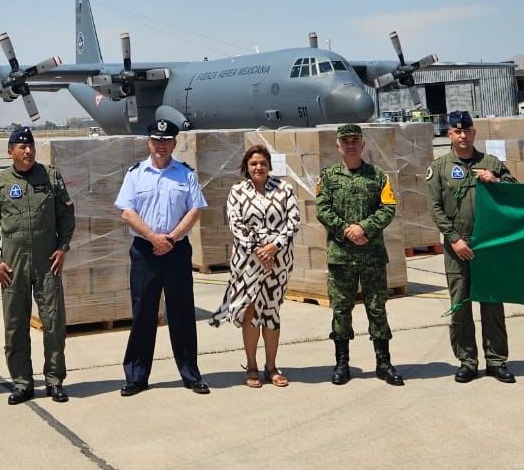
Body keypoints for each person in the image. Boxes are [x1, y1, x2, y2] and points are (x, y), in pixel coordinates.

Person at [115, 118, 210, 396]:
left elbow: (195, 211)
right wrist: (154, 238)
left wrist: (170, 239)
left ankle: (191, 374)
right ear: (149, 142)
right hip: (145, 252)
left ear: (174, 143)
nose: (161, 145)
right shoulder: (135, 174)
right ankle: (136, 376)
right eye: (156, 140)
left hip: (177, 250)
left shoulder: (185, 174)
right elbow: (127, 212)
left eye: (166, 141)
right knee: (143, 314)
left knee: (181, 313)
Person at [0, 126, 75, 404]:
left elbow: (66, 216)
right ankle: (22, 383)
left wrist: (63, 247)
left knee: (54, 322)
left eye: (31, 145)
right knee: (15, 325)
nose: (28, 150)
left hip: (47, 262)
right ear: (10, 152)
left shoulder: (51, 177)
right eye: (21, 147)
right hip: (13, 265)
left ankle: (54, 380)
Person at [427, 111, 518, 383]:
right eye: (457, 131)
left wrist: (497, 179)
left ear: (474, 132)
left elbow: (516, 191)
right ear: (449, 135)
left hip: (488, 244)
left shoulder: (490, 162)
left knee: (492, 304)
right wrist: (454, 238)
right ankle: (467, 360)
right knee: (460, 305)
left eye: (467, 130)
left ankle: (496, 360)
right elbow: (434, 207)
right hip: (457, 246)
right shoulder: (440, 167)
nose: (462, 135)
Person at [316, 124, 404, 386]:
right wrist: (346, 230)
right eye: (346, 141)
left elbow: (388, 208)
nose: (351, 145)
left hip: (372, 255)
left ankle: (383, 363)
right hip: (341, 256)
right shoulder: (328, 178)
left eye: (355, 140)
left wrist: (363, 227)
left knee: (377, 309)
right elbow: (322, 209)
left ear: (363, 145)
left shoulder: (378, 176)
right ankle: (342, 363)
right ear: (338, 146)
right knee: (341, 310)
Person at [209, 144, 301, 388]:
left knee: (271, 311)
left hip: (278, 260)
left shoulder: (285, 189)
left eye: (262, 163)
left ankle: (271, 366)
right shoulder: (237, 191)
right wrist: (260, 249)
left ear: (269, 165)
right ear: (246, 167)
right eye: (253, 164)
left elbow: (293, 221)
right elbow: (235, 224)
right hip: (248, 260)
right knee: (249, 310)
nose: (258, 167)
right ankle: (251, 366)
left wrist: (274, 247)